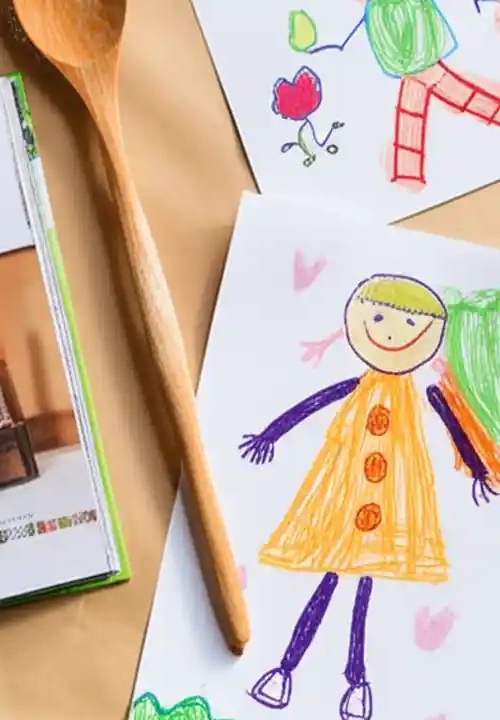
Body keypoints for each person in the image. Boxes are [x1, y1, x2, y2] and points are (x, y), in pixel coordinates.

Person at [237, 274, 494, 719]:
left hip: (394, 507)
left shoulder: (425, 392)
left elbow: (453, 425)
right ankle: (285, 670)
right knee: (330, 580)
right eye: (379, 318)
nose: (394, 333)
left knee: (362, 591)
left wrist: (476, 469)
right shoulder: (358, 386)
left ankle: (355, 681)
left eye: (411, 325)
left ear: (429, 334)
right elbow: (315, 402)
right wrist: (270, 435)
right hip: (340, 499)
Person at [297, 0, 500, 185]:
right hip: (393, 24)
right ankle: (406, 169)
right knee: (427, 86)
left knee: (435, 83)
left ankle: (407, 169)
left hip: (409, 22)